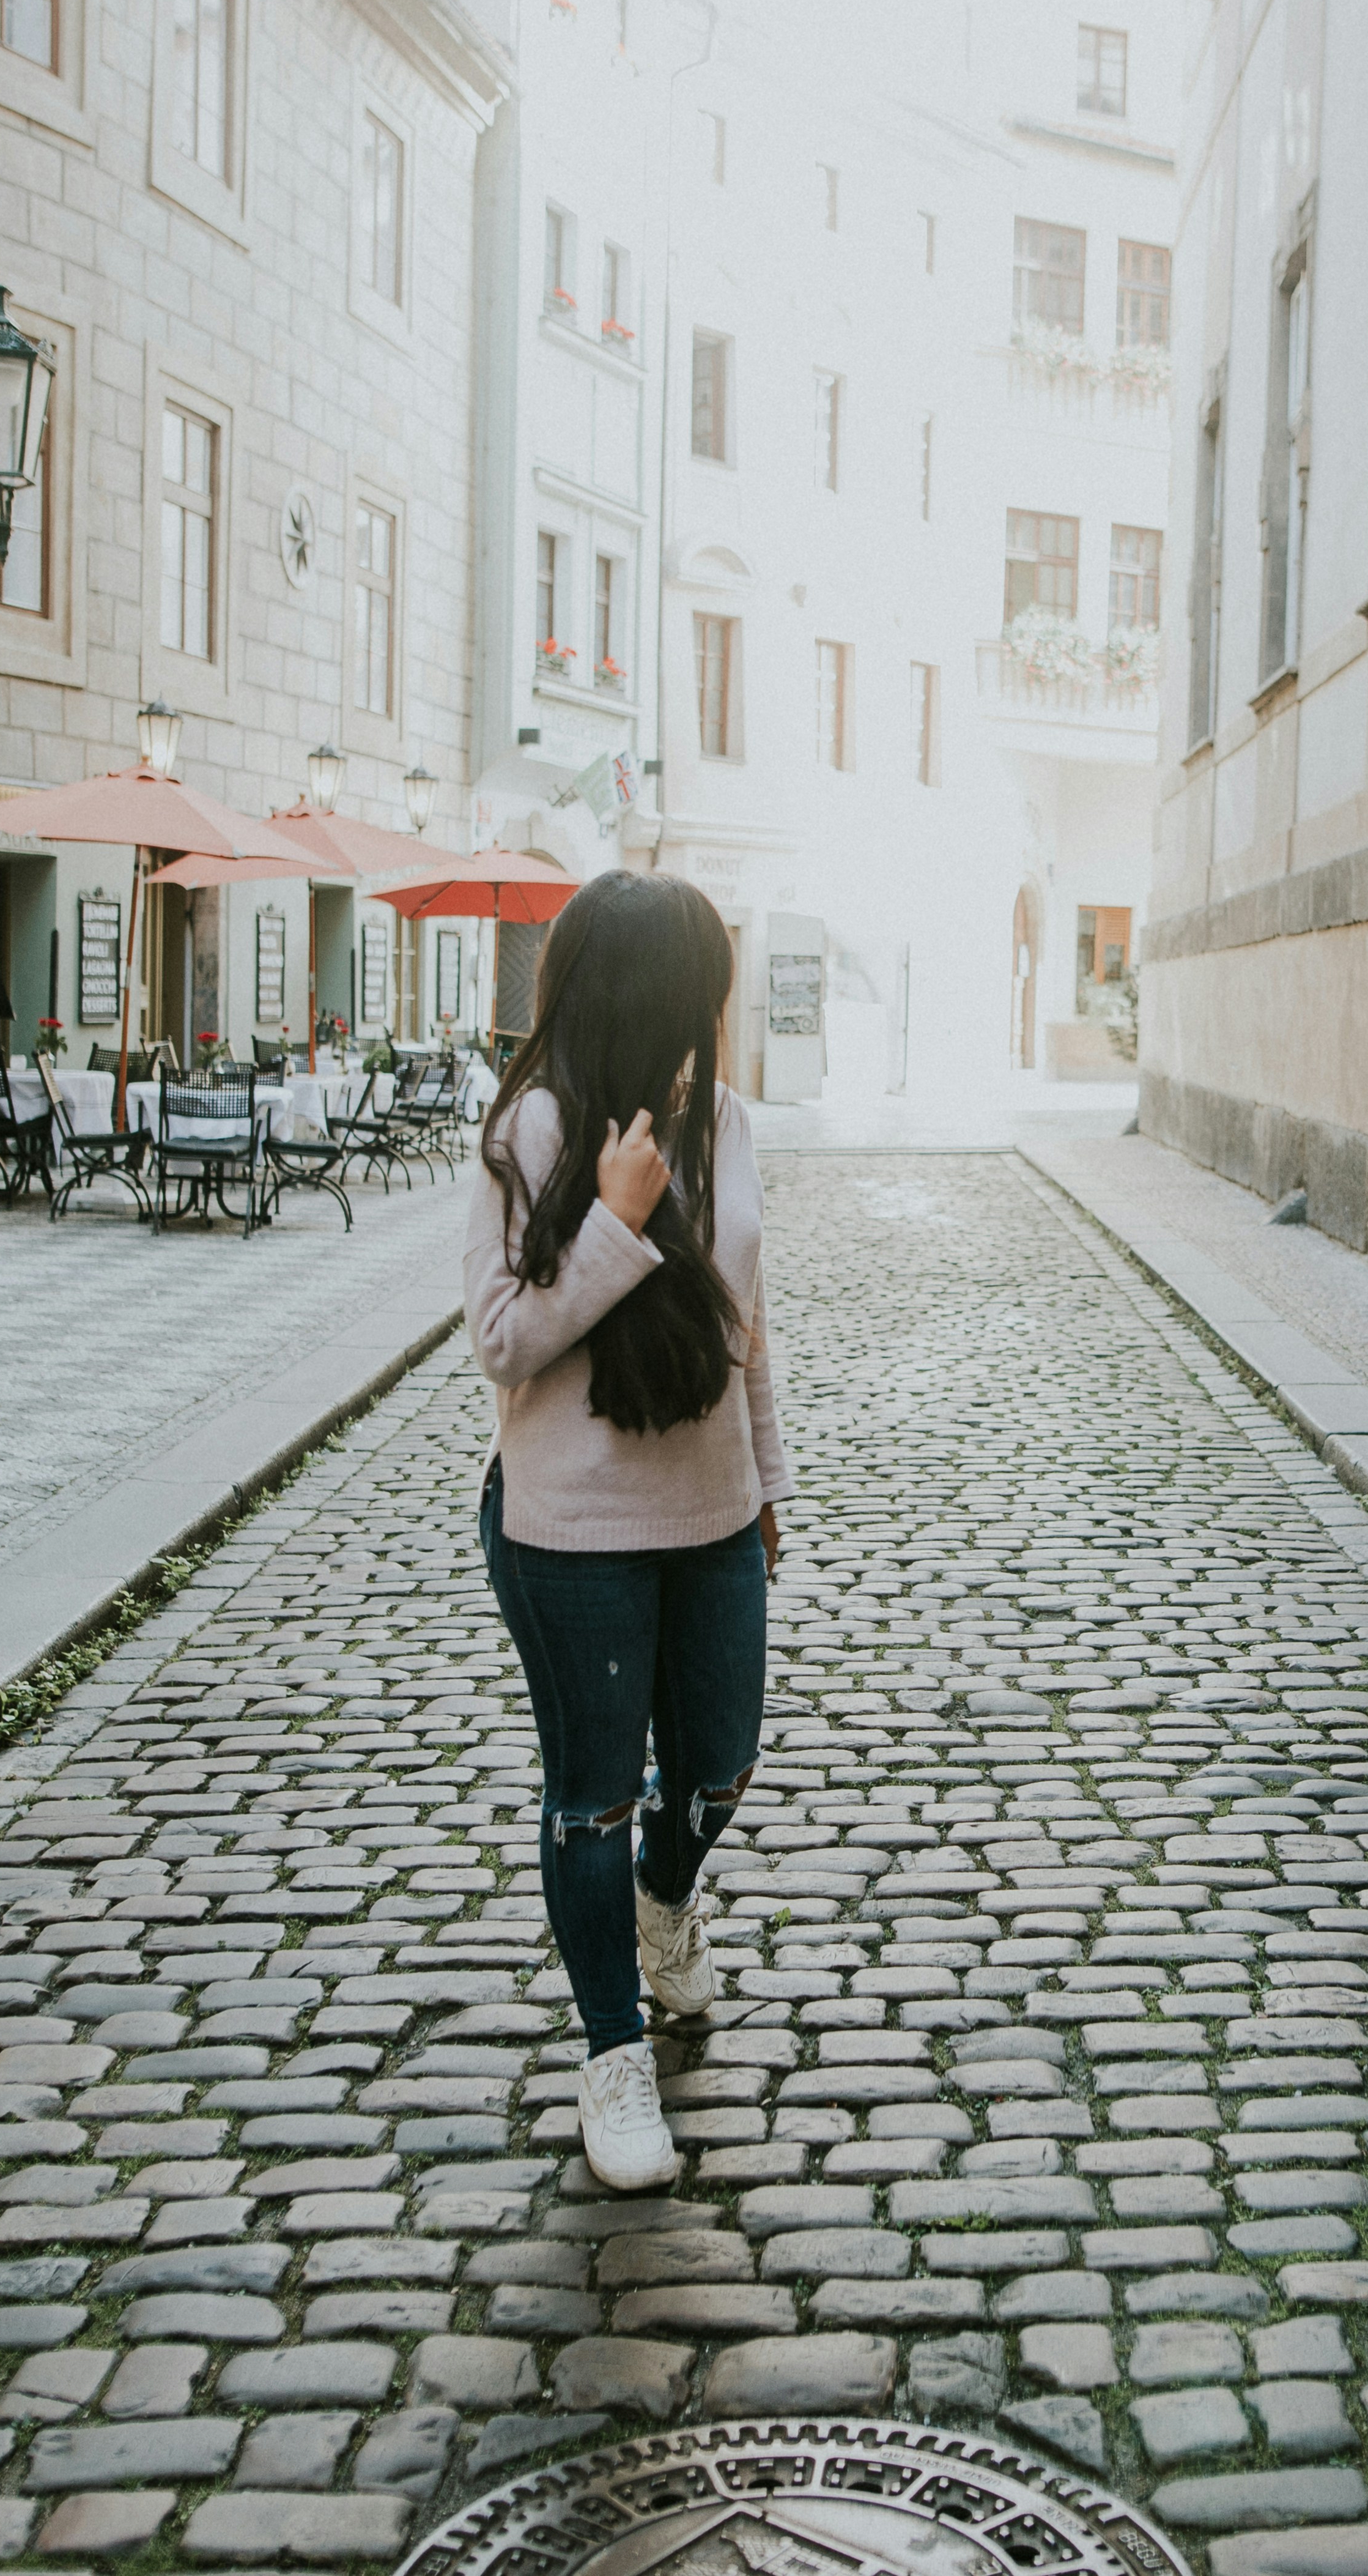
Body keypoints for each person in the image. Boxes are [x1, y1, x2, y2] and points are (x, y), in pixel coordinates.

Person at [464, 870, 788, 2189]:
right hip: (570, 1531)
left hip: (711, 1509)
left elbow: (752, 1317)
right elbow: (502, 1338)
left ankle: (669, 1900)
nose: (719, 1011)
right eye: (704, 985)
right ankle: (612, 2052)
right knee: (591, 1798)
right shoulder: (527, 1131)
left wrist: (770, 1480)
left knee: (718, 1763)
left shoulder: (728, 1119)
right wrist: (613, 1222)